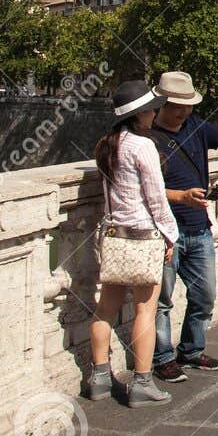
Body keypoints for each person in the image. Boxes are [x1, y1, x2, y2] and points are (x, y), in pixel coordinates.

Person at [149, 70, 218, 382]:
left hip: (199, 228)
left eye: (188, 105)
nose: (185, 111)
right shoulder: (146, 136)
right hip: (164, 230)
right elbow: (141, 188)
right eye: (179, 105)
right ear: (162, 103)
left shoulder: (196, 126)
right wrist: (180, 197)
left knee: (204, 295)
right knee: (161, 301)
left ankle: (190, 350)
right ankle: (162, 358)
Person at [88, 81, 179, 408]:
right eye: (152, 108)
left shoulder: (106, 144)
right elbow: (156, 200)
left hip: (113, 236)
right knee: (145, 310)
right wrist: (171, 235)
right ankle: (141, 382)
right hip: (142, 236)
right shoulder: (143, 147)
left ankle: (99, 378)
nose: (156, 112)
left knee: (105, 308)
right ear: (140, 113)